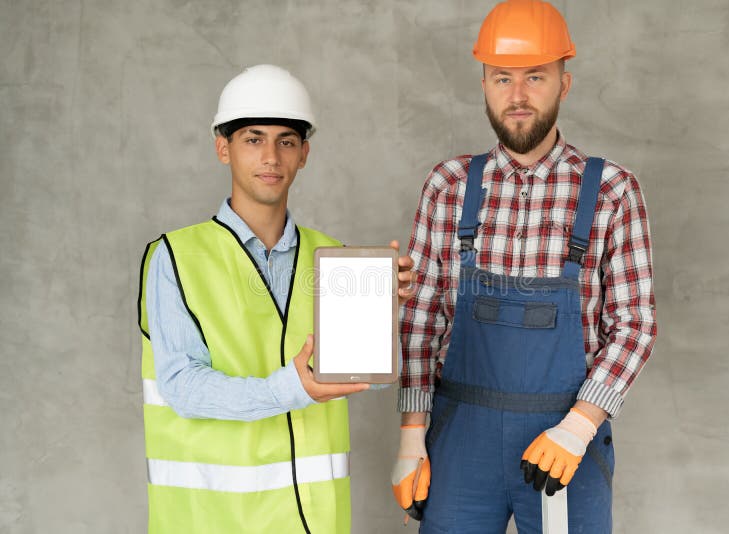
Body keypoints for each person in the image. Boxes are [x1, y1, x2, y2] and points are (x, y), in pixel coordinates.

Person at [391, 1, 657, 532]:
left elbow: (635, 325)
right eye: (502, 78)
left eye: (535, 77)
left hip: (565, 439)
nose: (517, 95)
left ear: (564, 83)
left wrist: (579, 426)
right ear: (484, 86)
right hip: (461, 440)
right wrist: (411, 436)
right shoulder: (448, 187)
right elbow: (422, 319)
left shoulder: (611, 191)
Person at [137, 64, 413, 534]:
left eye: (286, 141)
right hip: (211, 522)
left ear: (304, 153)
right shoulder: (175, 257)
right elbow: (182, 386)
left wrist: (384, 319)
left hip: (314, 522)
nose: (270, 156)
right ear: (223, 148)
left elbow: (371, 380)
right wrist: (292, 388)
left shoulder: (334, 258)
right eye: (253, 139)